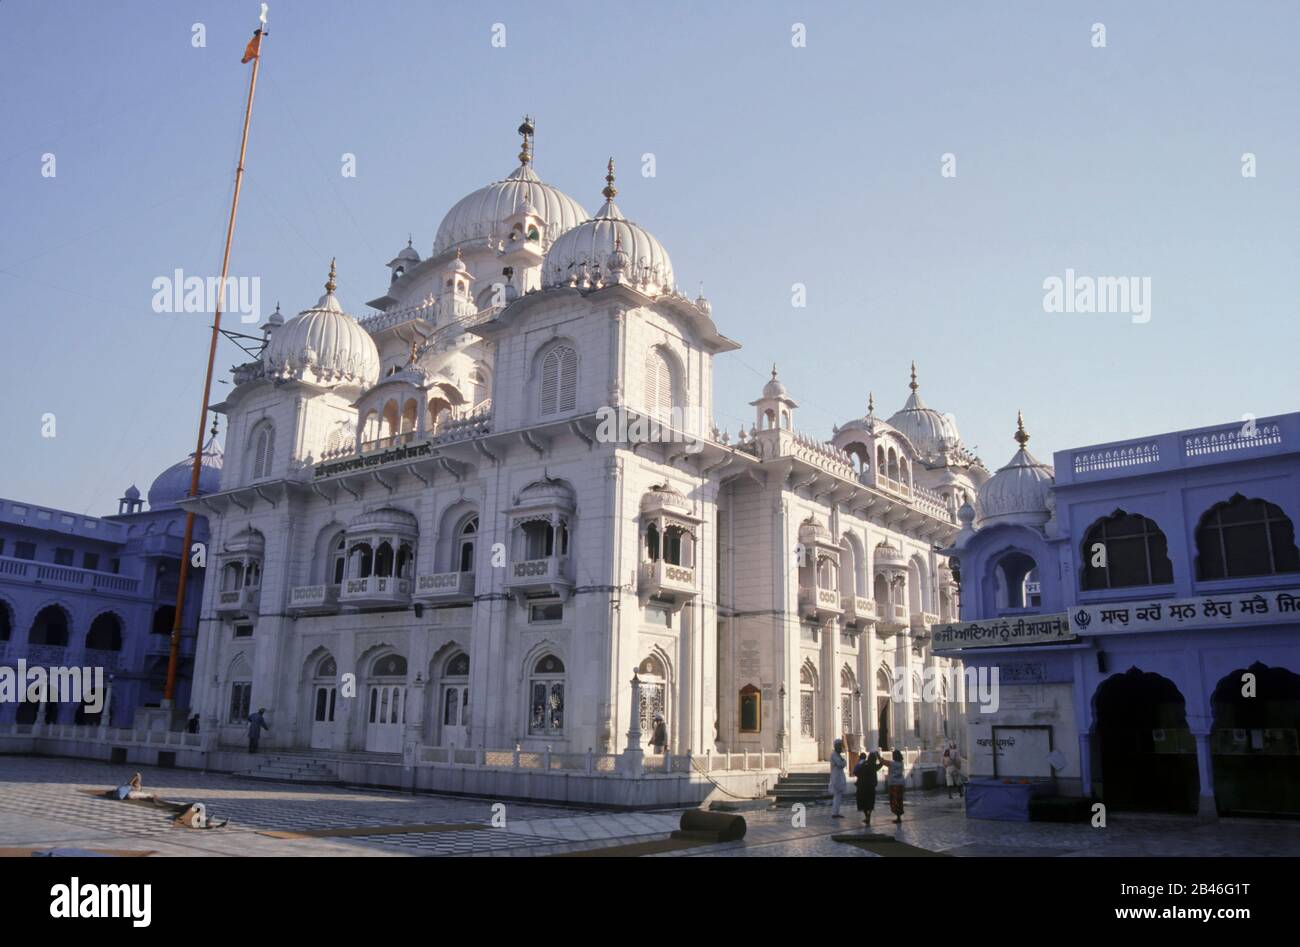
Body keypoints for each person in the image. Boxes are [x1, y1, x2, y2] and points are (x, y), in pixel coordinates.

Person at [853, 751, 885, 824]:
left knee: (864, 803)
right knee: (870, 802)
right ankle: (868, 816)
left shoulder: (864, 764)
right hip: (871, 787)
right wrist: (879, 757)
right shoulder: (874, 766)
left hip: (862, 787)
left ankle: (866, 816)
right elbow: (882, 763)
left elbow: (856, 772)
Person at [828, 738, 848, 818]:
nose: (840, 748)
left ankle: (836, 812)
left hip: (839, 776)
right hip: (836, 777)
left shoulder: (838, 755)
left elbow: (844, 763)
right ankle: (834, 813)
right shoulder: (834, 755)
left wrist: (843, 762)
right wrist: (843, 762)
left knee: (838, 796)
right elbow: (841, 764)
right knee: (837, 795)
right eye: (839, 746)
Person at [887, 749, 906, 824]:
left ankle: (898, 817)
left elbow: (883, 762)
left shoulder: (892, 763)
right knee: (899, 800)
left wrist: (878, 756)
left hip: (894, 784)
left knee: (894, 801)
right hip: (900, 783)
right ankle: (899, 816)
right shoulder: (901, 763)